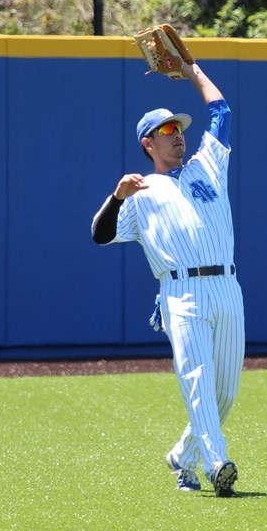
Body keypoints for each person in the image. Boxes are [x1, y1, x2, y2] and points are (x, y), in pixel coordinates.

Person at [91, 60, 244, 498]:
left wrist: (192, 69)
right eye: (166, 131)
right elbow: (99, 235)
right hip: (182, 293)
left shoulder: (207, 167)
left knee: (224, 394)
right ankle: (217, 464)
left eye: (178, 128)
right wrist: (116, 197)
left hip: (227, 289)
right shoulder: (139, 192)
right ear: (148, 143)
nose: (177, 134)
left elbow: (223, 114)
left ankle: (182, 456)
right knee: (197, 379)